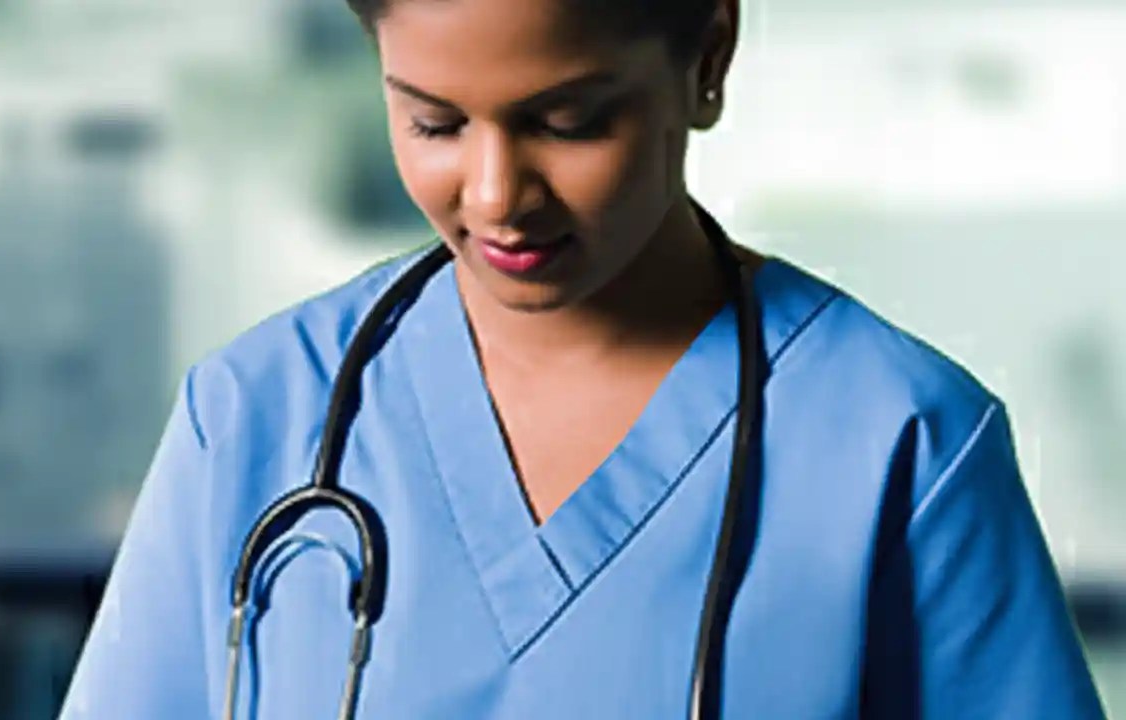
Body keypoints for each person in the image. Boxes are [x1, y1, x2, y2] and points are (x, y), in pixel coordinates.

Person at [58, 0, 1107, 717]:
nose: (493, 193)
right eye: (432, 122)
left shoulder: (901, 442)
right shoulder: (250, 415)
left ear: (706, 56)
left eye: (566, 122)